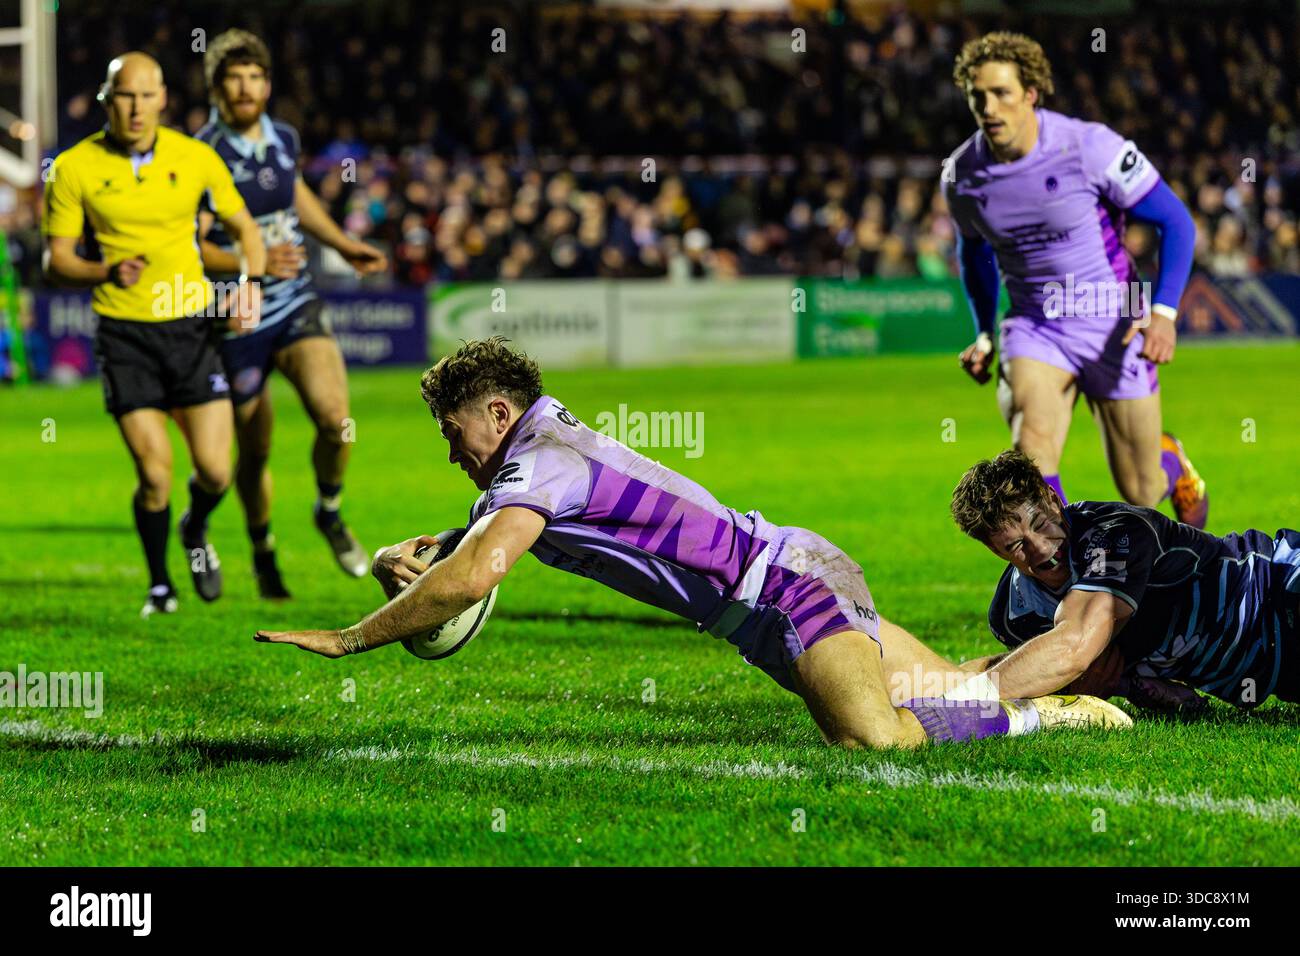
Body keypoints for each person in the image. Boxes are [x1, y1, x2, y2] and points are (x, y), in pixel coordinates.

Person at [254, 337, 1133, 748]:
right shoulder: (540, 459)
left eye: (455, 432)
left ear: (498, 413)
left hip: (787, 589)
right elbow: (478, 549)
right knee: (932, 689)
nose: (454, 453)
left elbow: (480, 568)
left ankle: (1044, 713)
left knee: (876, 742)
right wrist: (417, 562)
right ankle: (1089, 688)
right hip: (778, 585)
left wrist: (352, 636)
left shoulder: (540, 462)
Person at [943, 32, 1208, 528]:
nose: (988, 106)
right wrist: (982, 331)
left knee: (1142, 489)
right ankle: (1067, 583)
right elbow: (973, 251)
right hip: (1035, 326)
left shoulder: (1090, 147)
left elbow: (1176, 221)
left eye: (1001, 92)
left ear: (1030, 94)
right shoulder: (963, 175)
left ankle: (1170, 461)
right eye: (978, 96)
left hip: (1114, 320)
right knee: (1032, 460)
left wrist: (1164, 313)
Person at [43, 52, 265, 617]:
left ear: (163, 98)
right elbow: (56, 261)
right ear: (106, 99)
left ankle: (195, 528)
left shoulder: (195, 158)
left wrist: (250, 283)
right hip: (125, 335)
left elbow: (243, 227)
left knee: (216, 471)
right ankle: (161, 585)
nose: (136, 107)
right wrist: (104, 271)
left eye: (146, 95)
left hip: (191, 330)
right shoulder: (73, 167)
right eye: (124, 95)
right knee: (154, 474)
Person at [196, 30, 388, 597]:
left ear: (267, 84)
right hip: (241, 313)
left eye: (255, 77)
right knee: (253, 453)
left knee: (336, 418)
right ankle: (263, 552)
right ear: (217, 87)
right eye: (234, 78)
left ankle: (328, 510)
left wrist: (340, 242)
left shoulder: (283, 137)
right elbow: (191, 243)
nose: (246, 87)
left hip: (297, 302)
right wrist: (249, 258)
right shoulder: (201, 155)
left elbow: (295, 193)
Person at [950, 450, 1300, 711]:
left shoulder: (1115, 533)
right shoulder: (1014, 617)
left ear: (1055, 501)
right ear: (995, 551)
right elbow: (1062, 670)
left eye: (1041, 524)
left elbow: (1072, 649)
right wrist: (1130, 686)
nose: (1041, 549)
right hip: (1273, 670)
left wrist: (961, 702)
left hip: (1276, 585)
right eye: (1016, 545)